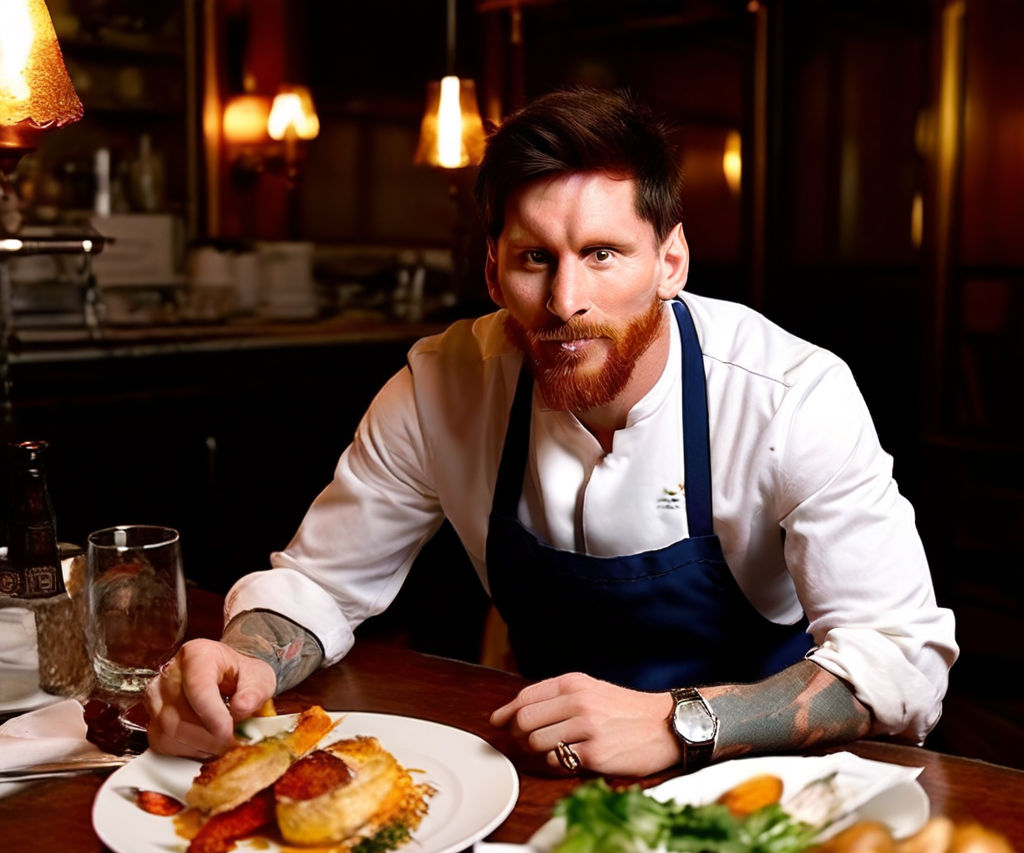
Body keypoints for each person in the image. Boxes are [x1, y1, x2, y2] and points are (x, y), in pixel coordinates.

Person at [145, 87, 957, 777]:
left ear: (670, 263)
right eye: (536, 258)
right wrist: (246, 656)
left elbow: (901, 663)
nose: (566, 299)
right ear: (494, 269)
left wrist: (679, 724)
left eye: (603, 253)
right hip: (537, 765)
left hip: (762, 782)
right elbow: (320, 585)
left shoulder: (789, 396)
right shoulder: (441, 386)